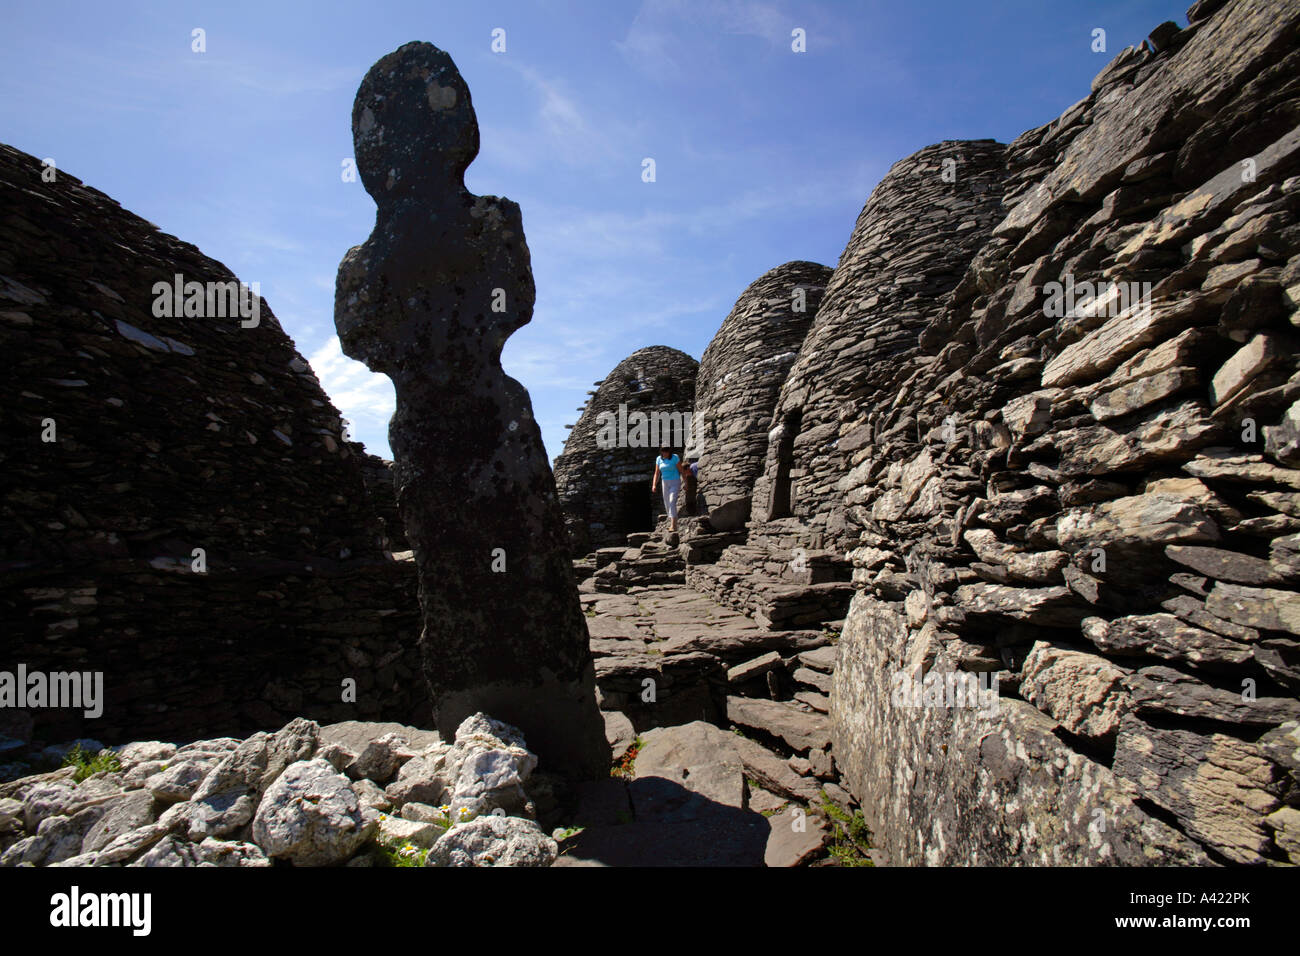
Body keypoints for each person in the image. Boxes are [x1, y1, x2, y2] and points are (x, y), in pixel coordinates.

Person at [651, 446, 682, 533]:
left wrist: (686, 482)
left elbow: (681, 470)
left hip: (675, 481)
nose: (664, 453)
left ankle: (673, 525)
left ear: (669, 451)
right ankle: (672, 522)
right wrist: (654, 485)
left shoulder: (675, 457)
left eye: (666, 451)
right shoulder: (659, 459)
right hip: (665, 482)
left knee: (672, 501)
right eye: (663, 451)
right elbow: (657, 473)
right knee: (667, 503)